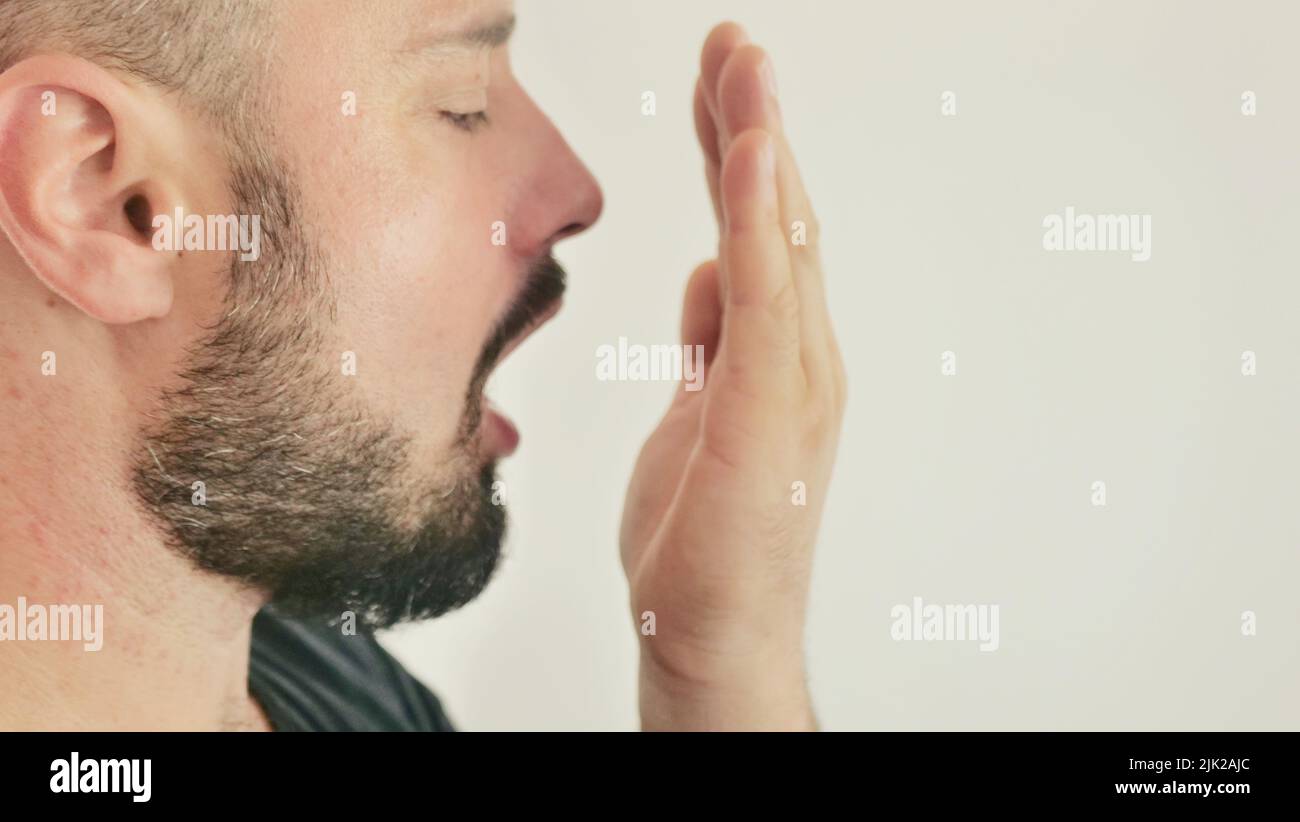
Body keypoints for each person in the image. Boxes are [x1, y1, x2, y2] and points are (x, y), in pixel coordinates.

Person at [0, 0, 844, 731]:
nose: (576, 192)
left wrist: (722, 665)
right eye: (462, 104)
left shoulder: (344, 685)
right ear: (109, 201)